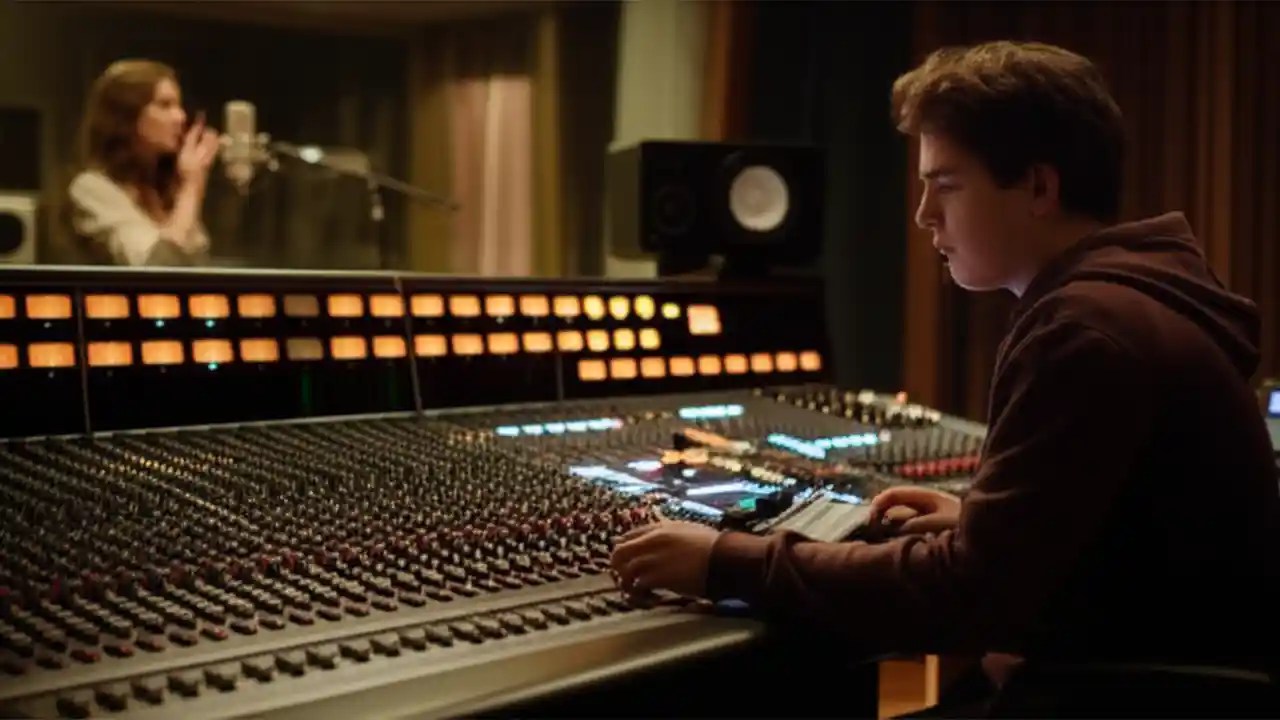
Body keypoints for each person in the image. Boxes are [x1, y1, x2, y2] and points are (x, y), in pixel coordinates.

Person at [611, 41, 1280, 714]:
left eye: (947, 184)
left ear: (1040, 188)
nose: (924, 214)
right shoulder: (1133, 301)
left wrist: (725, 561)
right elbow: (1136, 541)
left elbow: (966, 595)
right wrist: (981, 520)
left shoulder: (1085, 331)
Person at [67, 59, 219, 266]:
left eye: (179, 105)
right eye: (165, 105)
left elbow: (199, 270)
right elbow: (158, 268)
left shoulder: (167, 190)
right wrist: (192, 187)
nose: (181, 117)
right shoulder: (92, 188)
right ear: (128, 114)